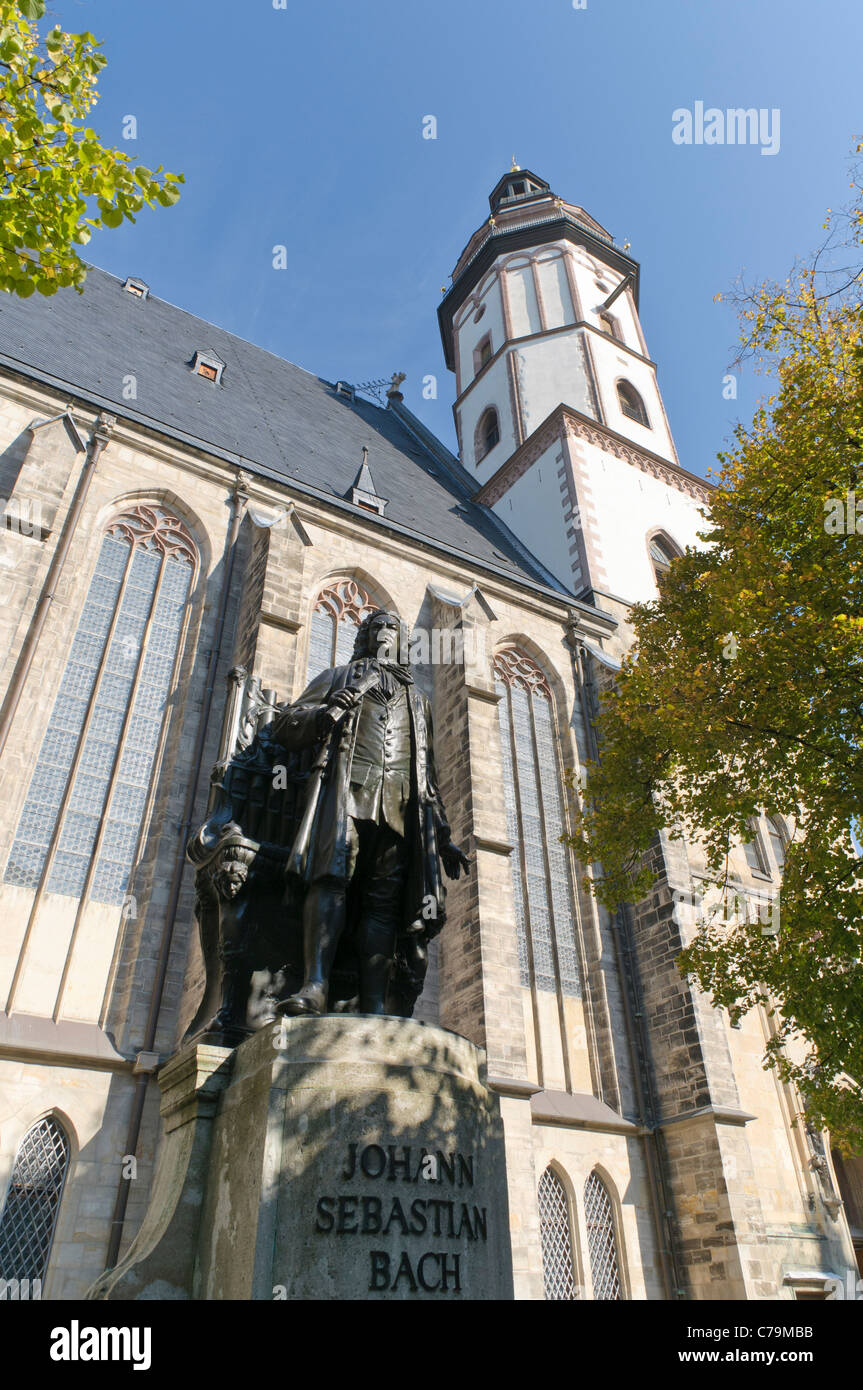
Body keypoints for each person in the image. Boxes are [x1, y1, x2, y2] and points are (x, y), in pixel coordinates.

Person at [270, 608, 469, 1016]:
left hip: (399, 806)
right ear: (364, 638)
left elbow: (428, 777)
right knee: (331, 878)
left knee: (385, 903)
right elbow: (284, 725)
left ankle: (375, 1004)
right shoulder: (339, 678)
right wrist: (320, 716)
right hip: (346, 792)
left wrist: (443, 838)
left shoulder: (418, 701)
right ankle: (315, 985)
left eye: (392, 630)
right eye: (376, 628)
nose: (383, 635)